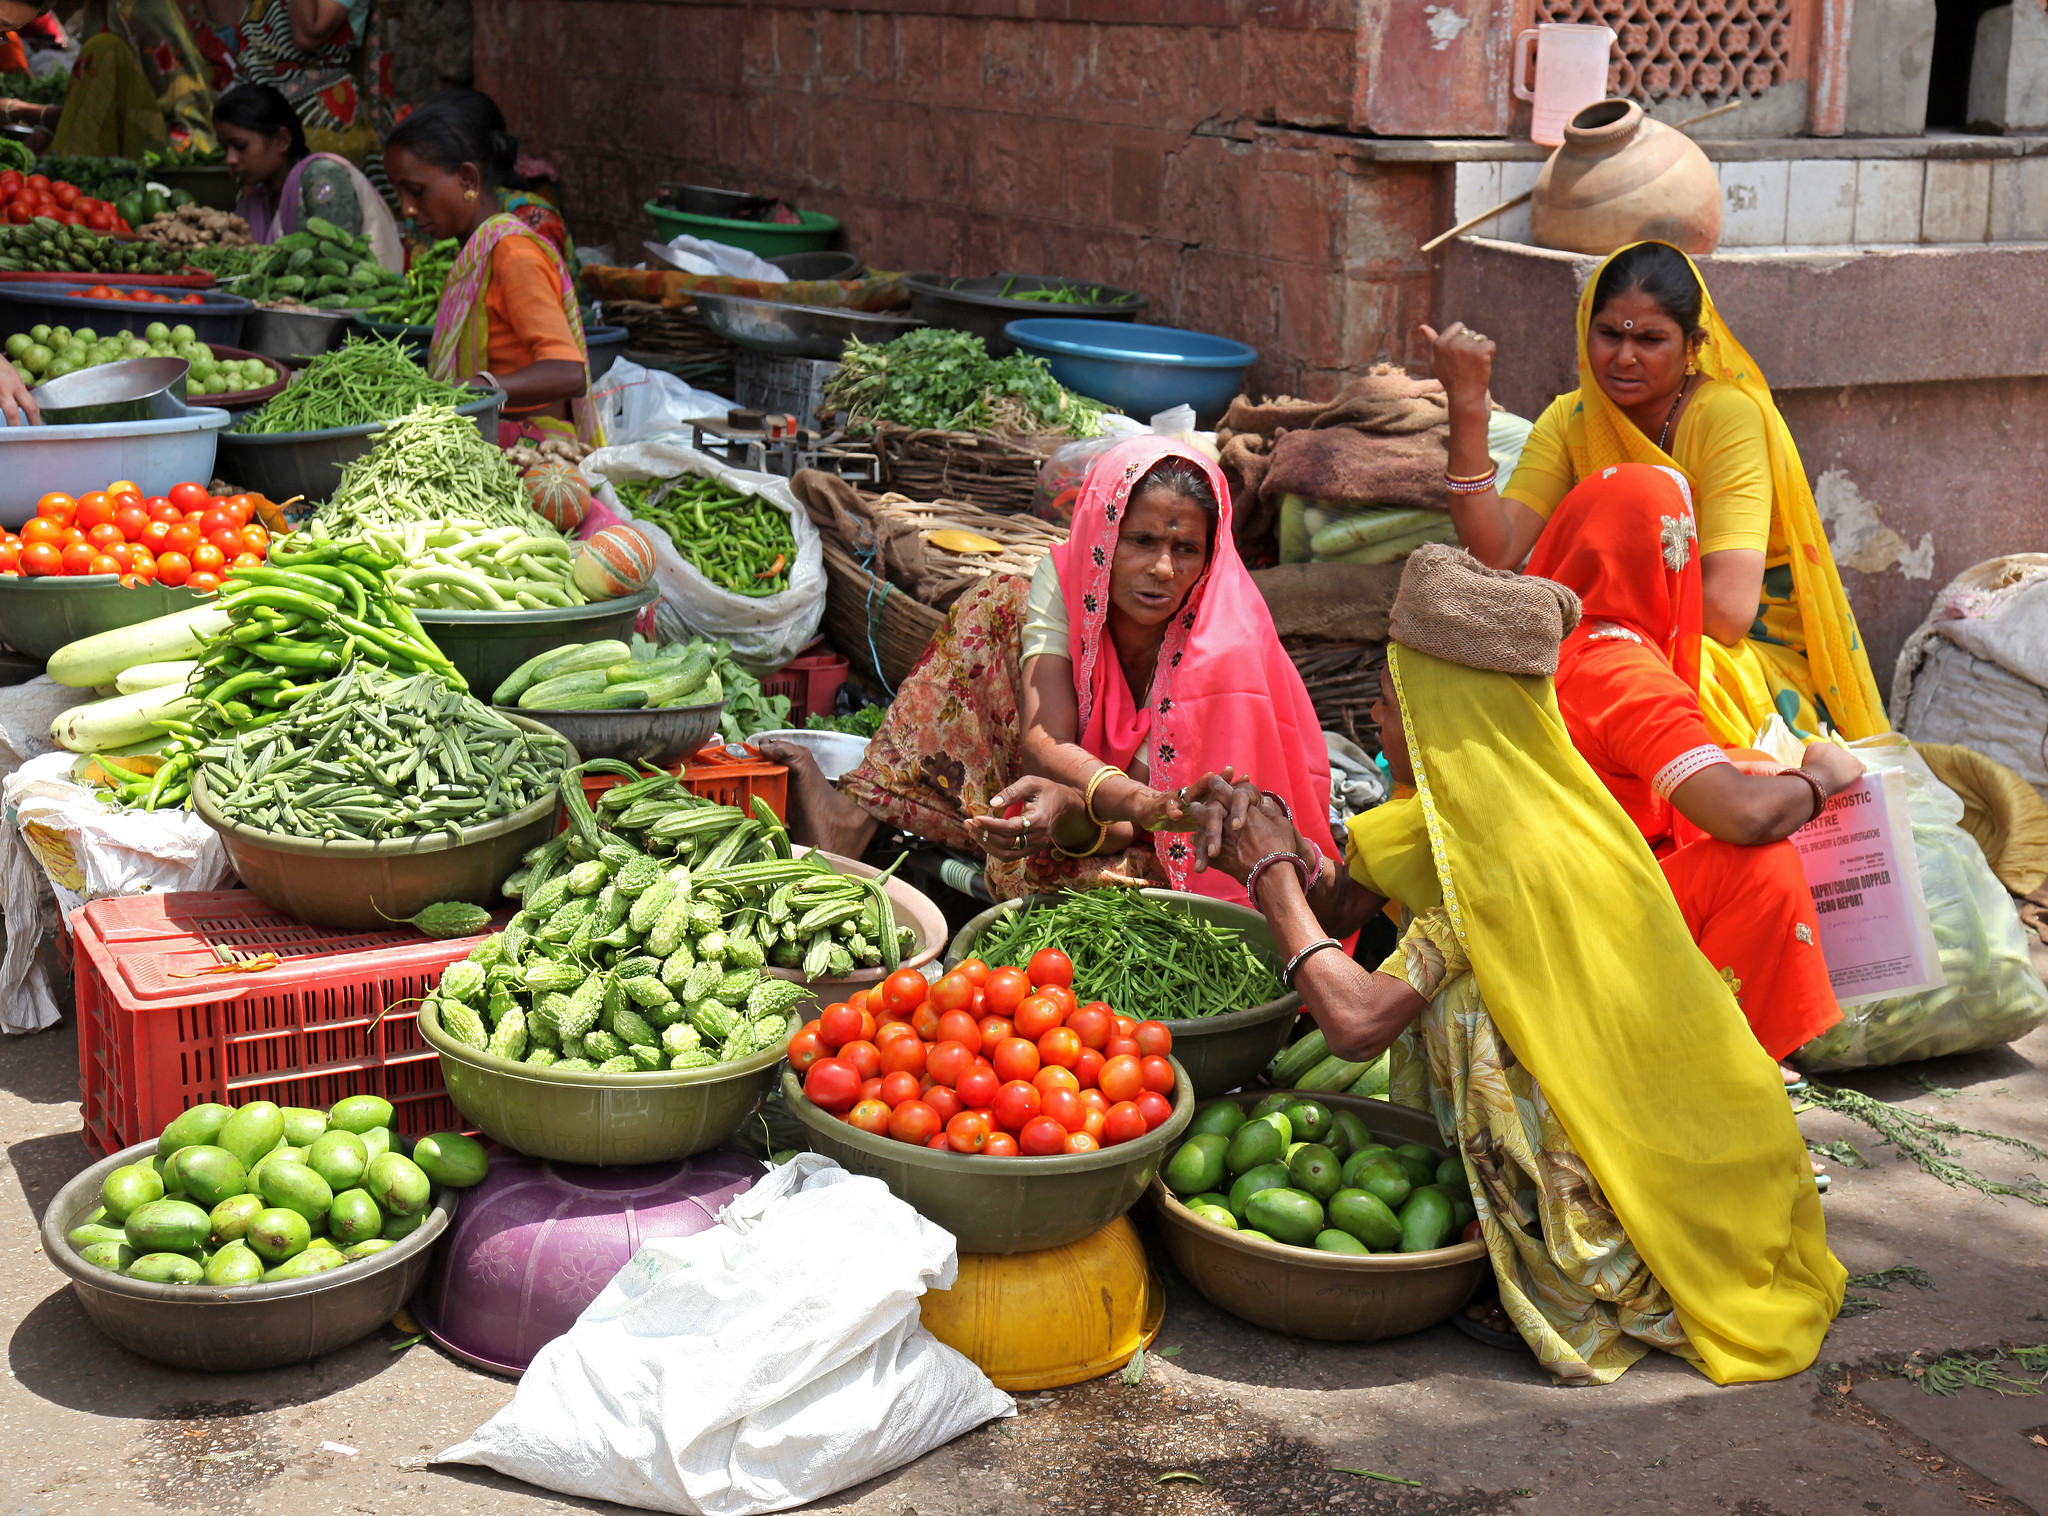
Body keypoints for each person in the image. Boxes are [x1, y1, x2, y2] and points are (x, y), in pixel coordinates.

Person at [1181, 544, 1843, 1386]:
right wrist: (1262, 834)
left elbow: (1351, 1024)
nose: (1378, 728)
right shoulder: (1514, 804)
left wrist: (1271, 877)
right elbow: (1343, 905)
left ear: (1437, 720)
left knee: (1450, 1000)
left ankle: (1552, 1239)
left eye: (1391, 707)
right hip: (1714, 1142)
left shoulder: (1497, 862)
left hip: (1642, 1184)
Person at [761, 437, 1337, 901]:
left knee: (1076, 889)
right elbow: (1044, 740)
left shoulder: (1219, 646)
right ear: (1102, 537)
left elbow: (1156, 823)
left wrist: (1086, 814)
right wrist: (1113, 801)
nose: (1163, 568)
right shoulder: (1064, 583)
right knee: (995, 606)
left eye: (1185, 549)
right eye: (1139, 541)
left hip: (1177, 842)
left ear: (1210, 555)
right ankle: (852, 822)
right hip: (1109, 796)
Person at [1424, 239, 1887, 748]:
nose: (1624, 358)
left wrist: (1599, 626)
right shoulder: (1573, 418)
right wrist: (1467, 405)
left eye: (1650, 340)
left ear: (1693, 346)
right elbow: (1494, 552)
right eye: (1608, 335)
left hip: (1739, 652)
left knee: (1636, 684)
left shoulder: (1727, 419)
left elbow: (1727, 613)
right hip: (1614, 632)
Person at [1525, 462, 1862, 1071]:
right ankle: (1718, 1069)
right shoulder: (1621, 672)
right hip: (1589, 926)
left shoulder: (1549, 645)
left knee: (1746, 773)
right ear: (1671, 560)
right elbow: (1745, 818)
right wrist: (1823, 778)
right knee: (1763, 864)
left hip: (1544, 898)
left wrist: (1746, 767)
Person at [382, 91, 594, 447]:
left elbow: (568, 372)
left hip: (534, 447)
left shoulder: (514, 254)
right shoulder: (476, 252)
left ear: (468, 180)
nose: (408, 209)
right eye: (400, 195)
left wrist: (470, 389)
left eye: (417, 191)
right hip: (494, 438)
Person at [196, 1, 391, 184]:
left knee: (314, 208)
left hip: (317, 115)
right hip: (272, 104)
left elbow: (309, 33)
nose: (229, 159)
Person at [216, 80, 400, 267]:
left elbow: (337, 269)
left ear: (282, 140)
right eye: (225, 149)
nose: (230, 159)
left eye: (240, 146)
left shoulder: (323, 177)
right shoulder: (256, 201)